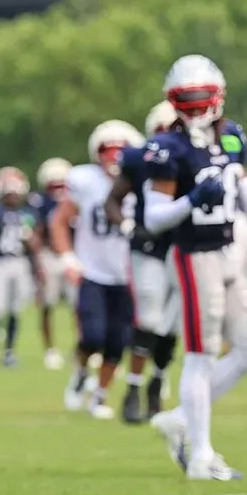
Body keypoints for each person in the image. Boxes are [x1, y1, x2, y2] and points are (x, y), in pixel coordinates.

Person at [144, 54, 247, 481]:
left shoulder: (231, 138)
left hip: (229, 253)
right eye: (184, 101)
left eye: (199, 99)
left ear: (218, 97)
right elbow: (154, 217)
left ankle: (181, 419)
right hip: (194, 257)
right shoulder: (168, 148)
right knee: (200, 355)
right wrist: (190, 201)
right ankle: (202, 457)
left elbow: (246, 196)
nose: (193, 109)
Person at [51, 120, 144, 420]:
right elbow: (59, 220)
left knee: (117, 343)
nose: (114, 157)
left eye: (121, 150)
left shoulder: (143, 180)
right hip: (92, 270)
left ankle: (100, 395)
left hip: (128, 274)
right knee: (92, 336)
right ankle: (80, 371)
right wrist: (68, 257)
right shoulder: (84, 179)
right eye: (108, 150)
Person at [104, 101, 181, 422]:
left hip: (182, 248)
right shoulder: (139, 159)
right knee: (149, 320)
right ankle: (134, 389)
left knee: (171, 325)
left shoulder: (193, 156)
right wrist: (126, 226)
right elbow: (112, 200)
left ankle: (157, 382)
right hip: (148, 245)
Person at [0, 167, 42, 367]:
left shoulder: (28, 212)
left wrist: (28, 237)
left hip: (20, 262)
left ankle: (9, 351)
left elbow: (35, 243)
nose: (12, 195)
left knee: (15, 309)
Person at [33, 158, 74, 370]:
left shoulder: (75, 199)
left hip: (72, 254)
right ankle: (50, 350)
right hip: (50, 254)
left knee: (79, 306)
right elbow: (38, 232)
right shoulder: (41, 203)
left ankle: (82, 348)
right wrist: (38, 260)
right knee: (48, 304)